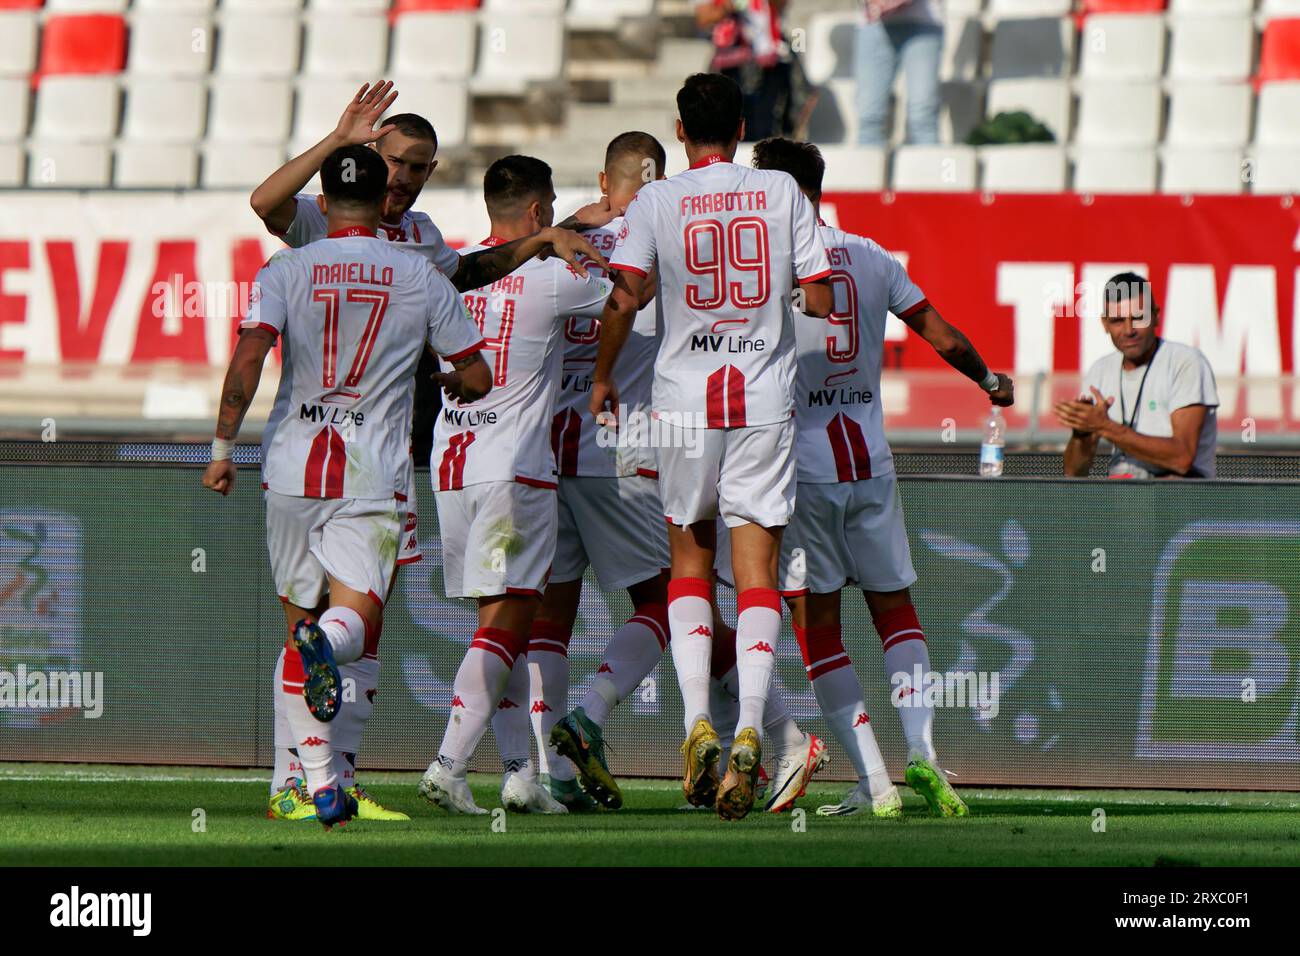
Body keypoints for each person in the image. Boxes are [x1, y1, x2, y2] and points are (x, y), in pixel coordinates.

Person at [247, 81, 607, 823]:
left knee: (356, 625)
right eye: (400, 162)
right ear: (371, 160)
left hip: (389, 452)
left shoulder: (422, 237)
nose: (409, 178)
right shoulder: (322, 219)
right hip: (320, 449)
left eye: (422, 167)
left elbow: (470, 272)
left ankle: (330, 777)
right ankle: (300, 780)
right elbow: (264, 204)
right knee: (323, 617)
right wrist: (335, 138)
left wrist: (542, 237)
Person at [536, 132, 827, 815]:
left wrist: (563, 225)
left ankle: (541, 770)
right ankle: (602, 716)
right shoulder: (660, 231)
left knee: (556, 612)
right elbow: (632, 295)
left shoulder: (567, 249)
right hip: (637, 445)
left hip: (556, 452)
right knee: (679, 594)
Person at [203, 145, 490, 828]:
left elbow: (248, 359)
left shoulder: (285, 268)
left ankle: (304, 784)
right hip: (371, 466)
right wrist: (446, 379)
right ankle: (323, 729)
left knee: (298, 620)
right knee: (354, 624)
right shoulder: (419, 274)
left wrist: (221, 449)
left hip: (293, 462)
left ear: (323, 202)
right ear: (382, 196)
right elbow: (476, 375)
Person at [752, 136, 1013, 817]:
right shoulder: (870, 256)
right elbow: (942, 335)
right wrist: (989, 380)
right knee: (895, 609)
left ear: (777, 193)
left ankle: (875, 781)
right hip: (870, 458)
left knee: (820, 629)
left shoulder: (767, 267)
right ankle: (923, 753)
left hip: (800, 470)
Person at [418, 156, 618, 816]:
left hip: (453, 463)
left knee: (499, 625)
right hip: (516, 468)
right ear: (538, 214)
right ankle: (447, 766)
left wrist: (565, 223)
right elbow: (627, 294)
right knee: (509, 622)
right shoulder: (558, 278)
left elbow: (517, 257)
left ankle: (517, 774)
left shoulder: (455, 272)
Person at [1056, 273, 1219, 479]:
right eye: (1117, 321)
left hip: (1179, 499)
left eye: (1138, 317)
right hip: (1121, 499)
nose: (1128, 330)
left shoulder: (1186, 362)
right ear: (1104, 324)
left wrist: (1104, 426)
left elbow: (1181, 458)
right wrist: (1082, 433)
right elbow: (1074, 472)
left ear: (1156, 316)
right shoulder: (1100, 370)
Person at [696, 1, 795, 141]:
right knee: (736, 115)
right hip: (734, 64)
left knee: (764, 120)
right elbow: (703, 18)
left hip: (768, 61)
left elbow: (781, 4)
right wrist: (728, 6)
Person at [856, 0, 944, 146]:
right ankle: (870, 167)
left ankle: (928, 167)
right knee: (869, 116)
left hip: (925, 24)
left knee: (922, 115)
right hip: (873, 25)